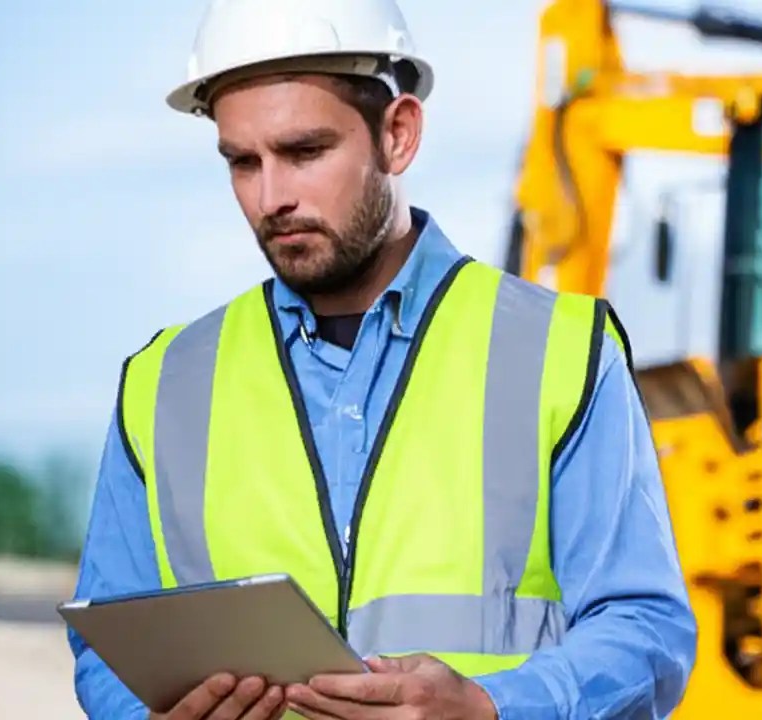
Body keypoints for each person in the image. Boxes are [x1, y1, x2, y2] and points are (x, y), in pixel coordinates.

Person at [67, 0, 698, 718]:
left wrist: (493, 708)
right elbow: (109, 647)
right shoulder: (165, 382)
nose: (271, 197)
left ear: (398, 135)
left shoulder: (560, 350)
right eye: (243, 162)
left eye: (304, 152)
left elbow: (647, 630)